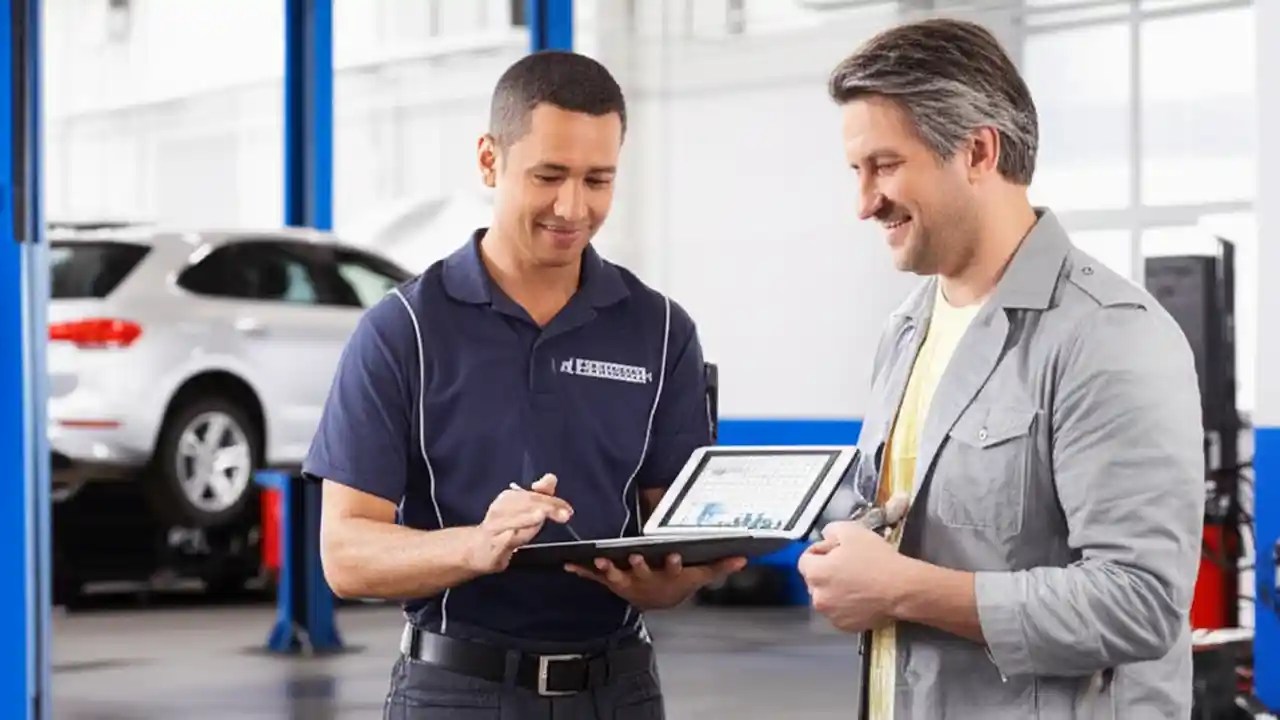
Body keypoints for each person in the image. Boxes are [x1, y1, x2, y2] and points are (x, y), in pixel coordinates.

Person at [304, 50, 745, 719]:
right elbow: (346, 553)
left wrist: (673, 582)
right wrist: (476, 545)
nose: (574, 207)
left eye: (598, 180)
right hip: (456, 694)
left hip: (619, 692)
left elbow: (669, 527)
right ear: (490, 161)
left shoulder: (659, 330)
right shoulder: (404, 331)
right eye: (549, 175)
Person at [797, 18, 1205, 719]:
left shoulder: (1107, 336)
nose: (863, 203)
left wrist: (901, 587)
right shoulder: (907, 331)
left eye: (884, 166)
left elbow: (1141, 604)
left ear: (977, 151)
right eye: (856, 172)